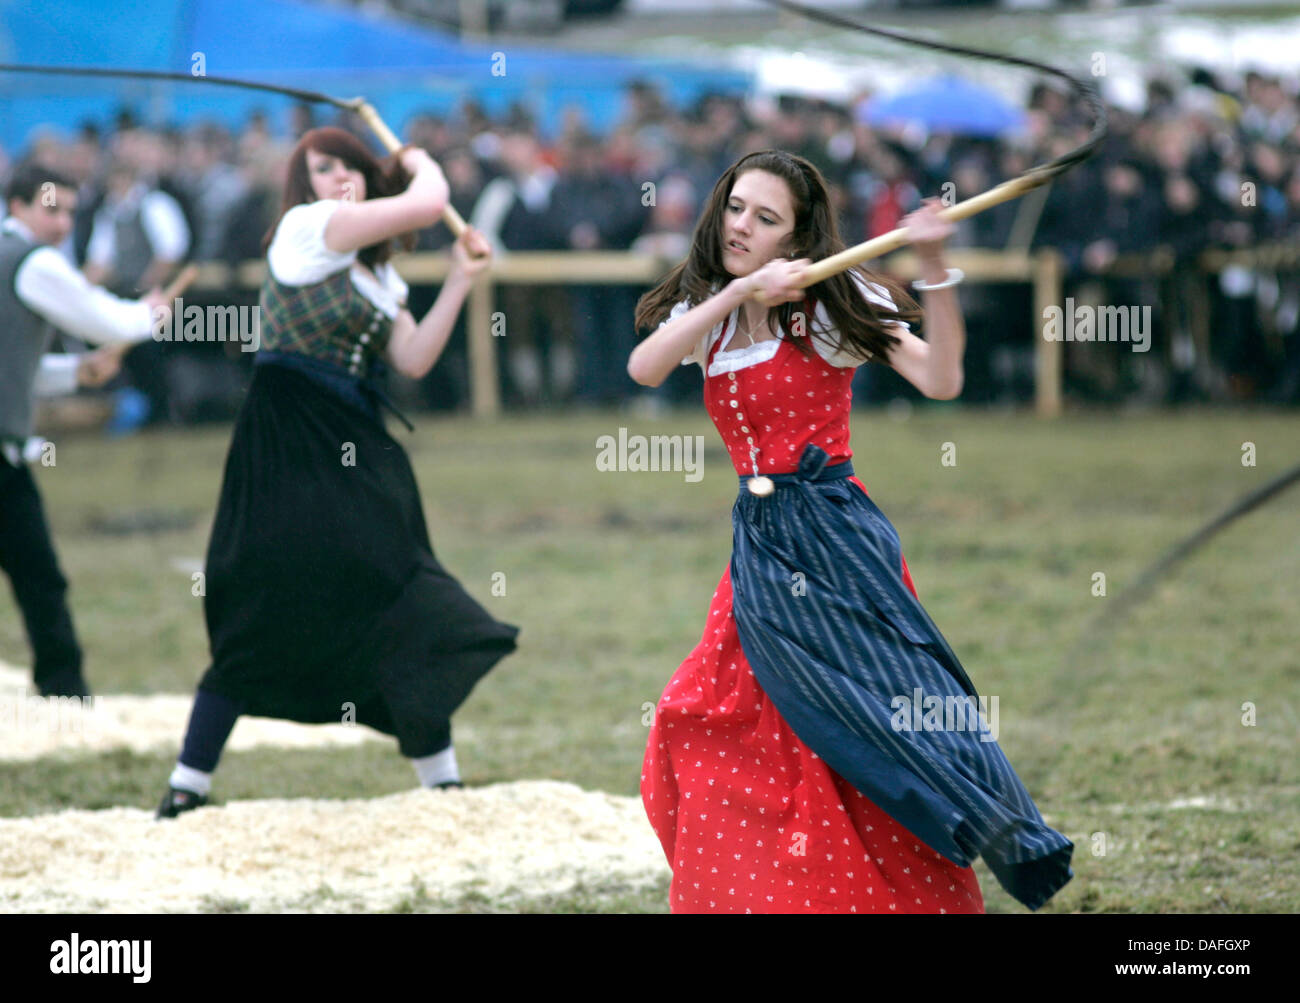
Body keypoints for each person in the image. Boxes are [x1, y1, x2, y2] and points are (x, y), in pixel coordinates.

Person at [629, 149, 1073, 913]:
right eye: (737, 207)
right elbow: (645, 365)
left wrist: (933, 266)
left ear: (797, 241)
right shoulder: (713, 310)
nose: (742, 225)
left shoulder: (832, 305)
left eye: (766, 220)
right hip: (761, 544)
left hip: (834, 539)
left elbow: (942, 379)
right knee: (706, 714)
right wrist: (739, 289)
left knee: (866, 720)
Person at [157, 128, 519, 818]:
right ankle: (187, 784)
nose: (337, 177)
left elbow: (411, 358)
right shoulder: (306, 228)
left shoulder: (379, 274)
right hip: (286, 435)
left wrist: (462, 280)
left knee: (394, 580)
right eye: (322, 169)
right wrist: (417, 161)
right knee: (263, 591)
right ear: (307, 186)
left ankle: (441, 782)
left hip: (356, 438)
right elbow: (430, 200)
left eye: (350, 167)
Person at [1, 162, 162, 699]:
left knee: (39, 573)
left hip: (9, 457)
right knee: (39, 576)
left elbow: (15, 371)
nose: (63, 222)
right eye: (52, 208)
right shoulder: (33, 262)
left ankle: (63, 691)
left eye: (71, 210)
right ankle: (64, 690)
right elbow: (105, 320)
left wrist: (75, 372)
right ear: (18, 207)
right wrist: (148, 315)